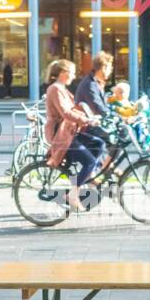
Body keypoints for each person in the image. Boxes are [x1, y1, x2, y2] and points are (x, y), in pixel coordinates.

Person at [43, 59, 104, 210]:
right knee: (89, 161)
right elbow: (65, 112)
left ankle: (88, 175)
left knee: (98, 143)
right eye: (72, 72)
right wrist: (86, 120)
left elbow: (73, 109)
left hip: (68, 131)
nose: (74, 75)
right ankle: (73, 194)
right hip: (61, 135)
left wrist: (90, 117)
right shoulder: (55, 89)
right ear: (63, 73)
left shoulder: (61, 88)